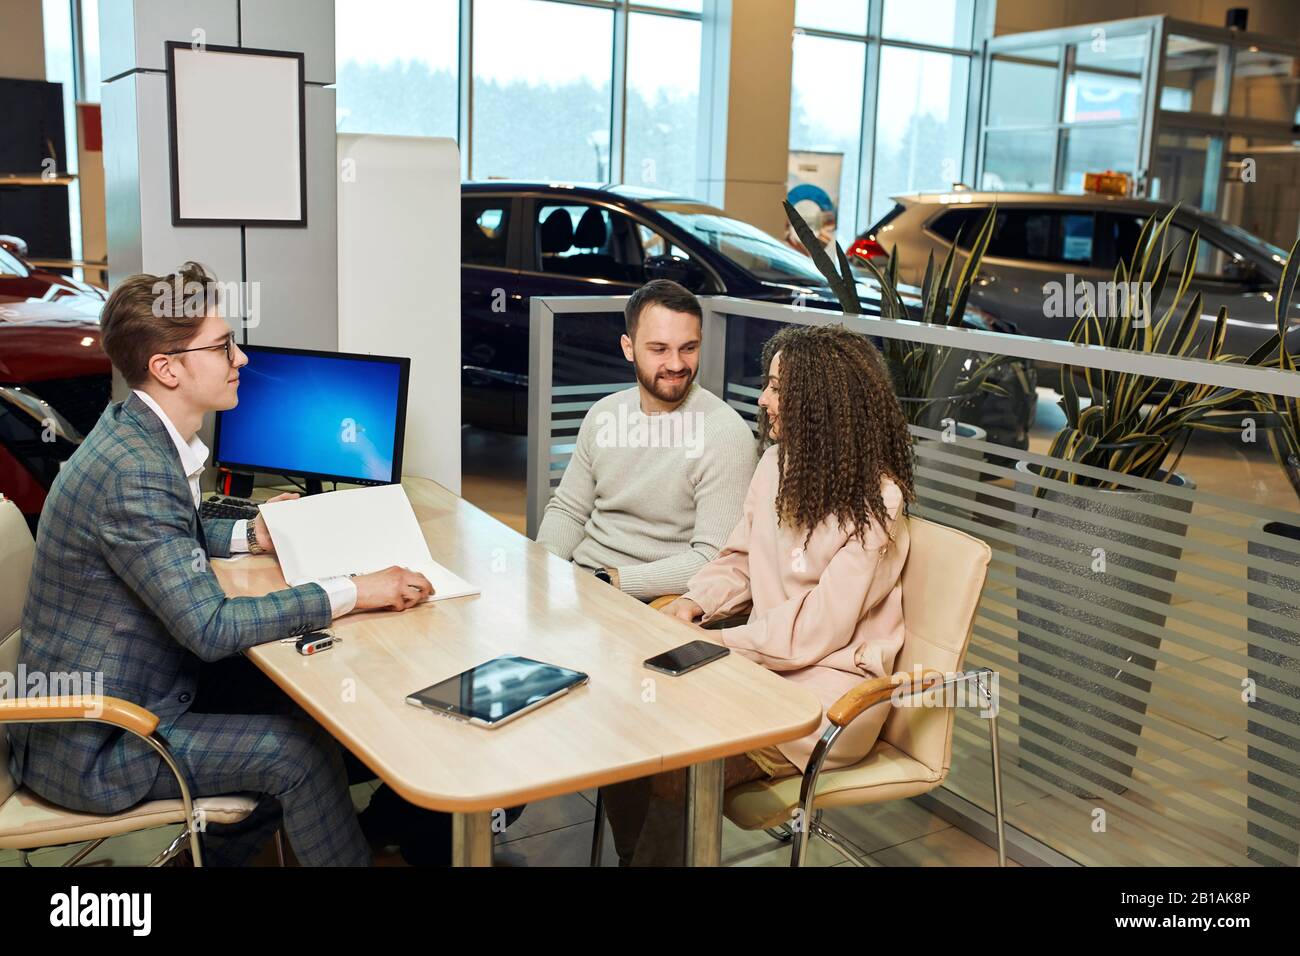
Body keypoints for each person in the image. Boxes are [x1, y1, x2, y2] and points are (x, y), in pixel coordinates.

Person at [7, 263, 433, 866]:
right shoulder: (136, 470)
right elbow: (210, 628)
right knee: (296, 751)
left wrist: (250, 534)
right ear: (168, 368)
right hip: (95, 742)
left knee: (311, 704)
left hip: (121, 695)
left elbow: (162, 531)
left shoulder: (133, 431)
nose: (242, 359)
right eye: (223, 346)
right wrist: (354, 590)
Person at [614, 323, 916, 865]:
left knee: (671, 767)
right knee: (629, 732)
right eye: (768, 385)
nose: (764, 399)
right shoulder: (777, 464)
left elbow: (818, 631)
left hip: (827, 700)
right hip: (763, 671)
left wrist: (718, 643)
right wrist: (695, 603)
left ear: (820, 404)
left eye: (778, 388)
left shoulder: (879, 503)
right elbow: (741, 560)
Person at [535, 279, 757, 599]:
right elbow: (569, 510)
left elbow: (714, 558)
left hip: (649, 599)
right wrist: (543, 569)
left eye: (688, 348)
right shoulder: (604, 414)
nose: (676, 364)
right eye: (659, 349)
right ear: (629, 348)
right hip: (581, 583)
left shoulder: (725, 434)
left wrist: (610, 581)